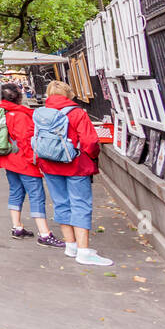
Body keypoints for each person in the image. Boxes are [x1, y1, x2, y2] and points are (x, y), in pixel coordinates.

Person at [36, 80, 110, 266]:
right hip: (76, 165)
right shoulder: (77, 113)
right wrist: (91, 157)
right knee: (80, 205)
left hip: (49, 164)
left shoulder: (41, 113)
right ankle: (84, 251)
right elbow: (90, 142)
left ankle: (71, 246)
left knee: (61, 203)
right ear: (68, 94)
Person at [0, 83, 64, 247]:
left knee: (15, 191)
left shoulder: (0, 112)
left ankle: (16, 226)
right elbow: (25, 140)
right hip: (24, 161)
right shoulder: (20, 115)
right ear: (18, 97)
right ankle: (44, 233)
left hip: (8, 159)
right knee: (36, 194)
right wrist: (36, 160)